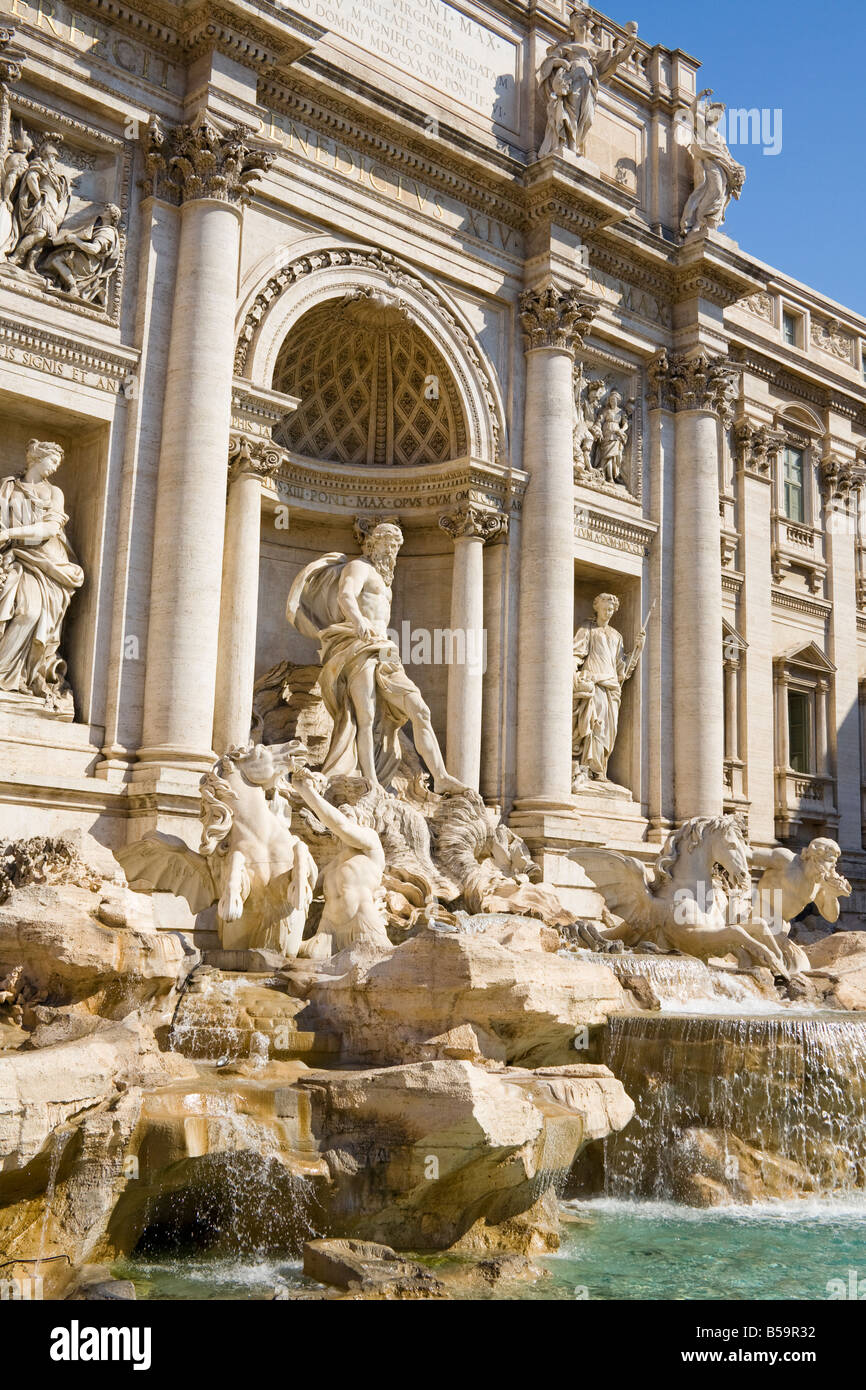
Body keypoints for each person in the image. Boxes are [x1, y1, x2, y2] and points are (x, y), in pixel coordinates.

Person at [287, 522, 463, 793]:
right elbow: (346, 595)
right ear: (371, 544)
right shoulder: (359, 567)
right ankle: (370, 780)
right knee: (365, 716)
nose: (392, 551)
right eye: (387, 544)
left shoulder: (385, 581)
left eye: (395, 546)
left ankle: (439, 776)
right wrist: (357, 620)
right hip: (359, 645)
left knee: (420, 709)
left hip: (385, 650)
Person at [0, 440, 83, 704]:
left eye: (58, 464)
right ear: (37, 459)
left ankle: (11, 677)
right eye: (52, 461)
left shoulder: (54, 493)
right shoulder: (8, 487)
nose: (55, 468)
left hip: (47, 563)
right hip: (14, 557)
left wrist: (9, 534)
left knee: (30, 613)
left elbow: (48, 530)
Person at [573, 592, 645, 782]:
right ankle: (588, 768)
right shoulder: (587, 629)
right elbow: (577, 653)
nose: (609, 612)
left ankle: (601, 769)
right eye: (605, 608)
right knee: (595, 725)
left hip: (612, 688)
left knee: (608, 732)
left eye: (611, 609)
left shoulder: (616, 636)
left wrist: (638, 649)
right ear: (597, 607)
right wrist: (572, 672)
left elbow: (623, 669)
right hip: (595, 683)